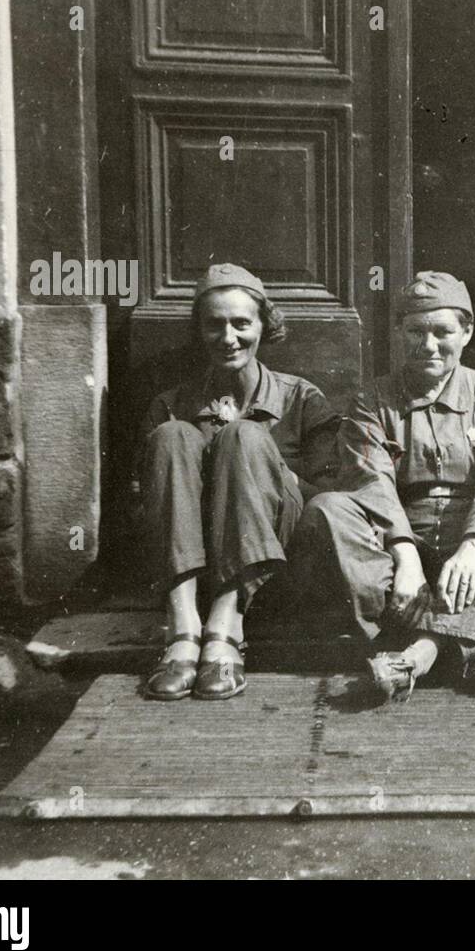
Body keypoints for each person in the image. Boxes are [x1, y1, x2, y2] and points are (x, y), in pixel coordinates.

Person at [297, 271, 475, 702]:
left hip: (471, 544)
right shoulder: (373, 399)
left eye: (443, 332)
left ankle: (418, 654)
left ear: (467, 331)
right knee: (327, 508)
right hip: (397, 545)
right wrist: (405, 553)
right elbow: (370, 479)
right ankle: (457, 646)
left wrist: (474, 542)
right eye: (416, 331)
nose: (430, 345)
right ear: (399, 331)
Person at [137, 263, 339, 701]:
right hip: (193, 568)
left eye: (241, 323)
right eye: (214, 325)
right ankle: (184, 628)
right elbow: (148, 502)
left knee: (245, 434)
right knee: (173, 436)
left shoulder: (301, 398)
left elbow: (329, 500)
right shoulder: (170, 405)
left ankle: (226, 625)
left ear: (264, 325)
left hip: (273, 568)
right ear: (199, 330)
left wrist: (259, 461)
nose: (228, 338)